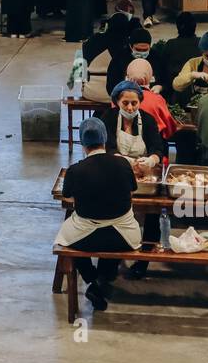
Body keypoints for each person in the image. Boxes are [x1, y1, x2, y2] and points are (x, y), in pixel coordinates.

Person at [55, 117, 143, 312]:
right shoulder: (122, 164)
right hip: (123, 236)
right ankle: (103, 279)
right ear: (105, 140)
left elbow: (67, 196)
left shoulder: (75, 170)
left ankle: (92, 280)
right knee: (115, 231)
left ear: (82, 144)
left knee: (65, 237)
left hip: (86, 237)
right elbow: (131, 191)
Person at [80, 0, 137, 101]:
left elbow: (80, 71)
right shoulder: (126, 47)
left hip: (90, 91)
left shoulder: (91, 41)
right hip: (116, 94)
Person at [96, 80, 167, 163]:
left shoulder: (148, 119)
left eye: (134, 103)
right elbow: (107, 147)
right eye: (125, 103)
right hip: (115, 165)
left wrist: (152, 160)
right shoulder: (109, 117)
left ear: (140, 102)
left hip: (142, 168)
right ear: (117, 102)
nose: (130, 108)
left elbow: (157, 148)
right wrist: (122, 160)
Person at [154, 12, 202, 106]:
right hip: (197, 93)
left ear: (178, 27)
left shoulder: (170, 45)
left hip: (174, 95)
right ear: (195, 27)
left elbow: (162, 71)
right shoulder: (201, 44)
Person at [124, 59, 178, 140]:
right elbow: (170, 128)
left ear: (128, 76)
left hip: (123, 146)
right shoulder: (157, 99)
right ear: (150, 76)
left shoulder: (118, 98)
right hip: (153, 148)